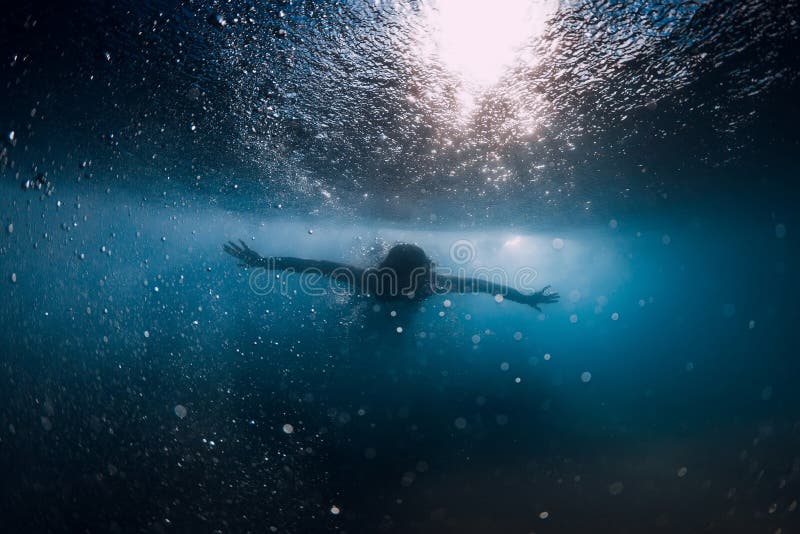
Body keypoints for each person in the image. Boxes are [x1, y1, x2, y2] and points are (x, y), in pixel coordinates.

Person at [223, 240, 559, 310]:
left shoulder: (429, 284)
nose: (411, 281)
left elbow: (484, 285)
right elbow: (315, 265)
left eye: (418, 275)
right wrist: (263, 262)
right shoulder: (371, 280)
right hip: (377, 296)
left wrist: (525, 298)